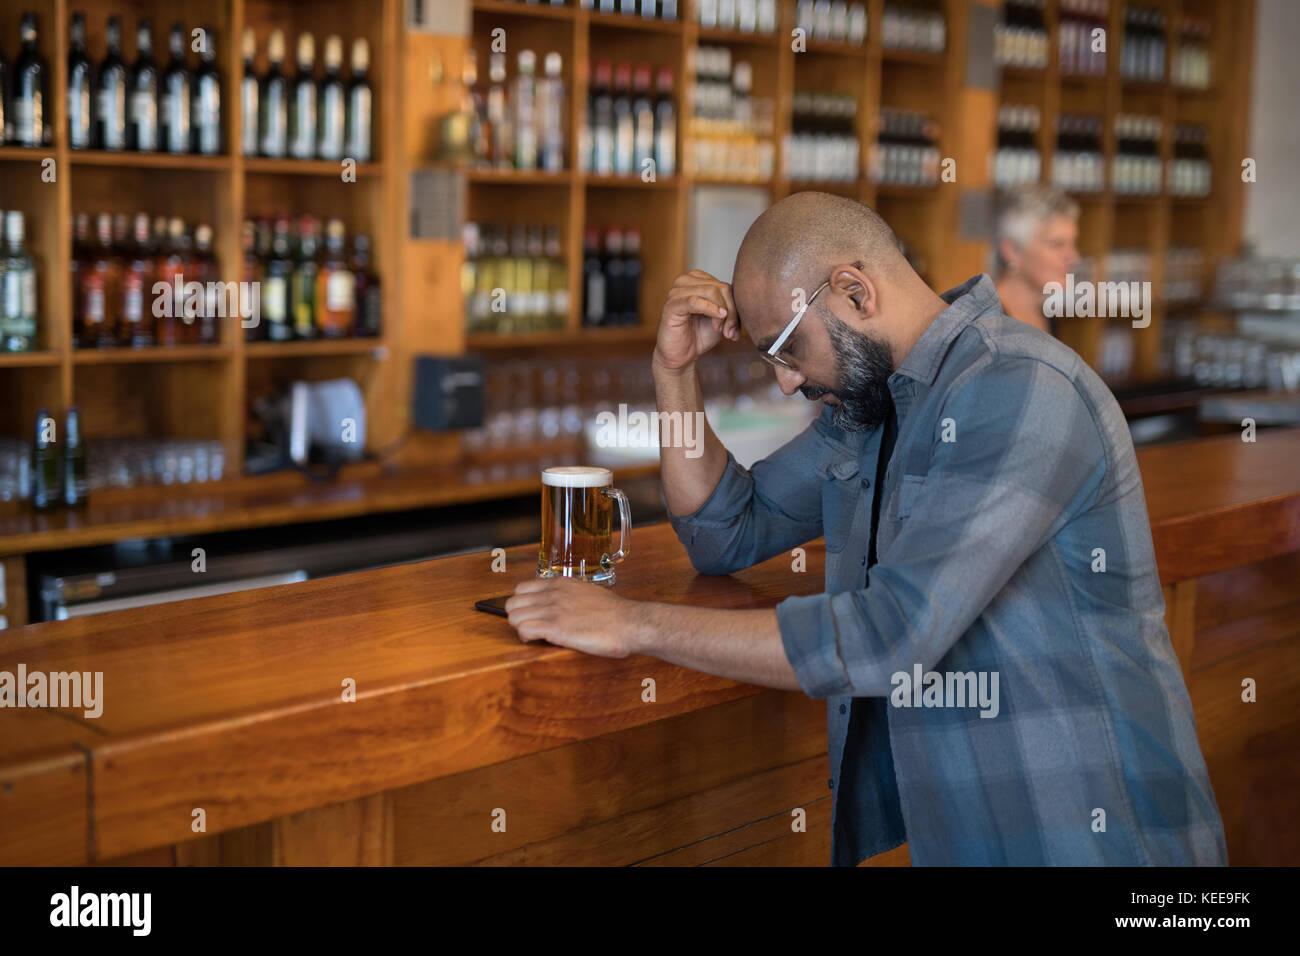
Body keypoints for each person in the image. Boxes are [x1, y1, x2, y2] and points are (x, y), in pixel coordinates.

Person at [505, 192, 1227, 867]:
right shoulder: (872, 407)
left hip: (1096, 837)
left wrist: (633, 624)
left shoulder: (1019, 386)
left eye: (787, 349)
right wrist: (673, 374)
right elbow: (725, 532)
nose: (786, 382)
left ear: (855, 291)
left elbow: (892, 635)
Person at [994, 184, 1081, 335]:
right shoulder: (986, 322)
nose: (1073, 257)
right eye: (1057, 244)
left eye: (1072, 244)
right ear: (1012, 250)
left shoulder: (1046, 314)